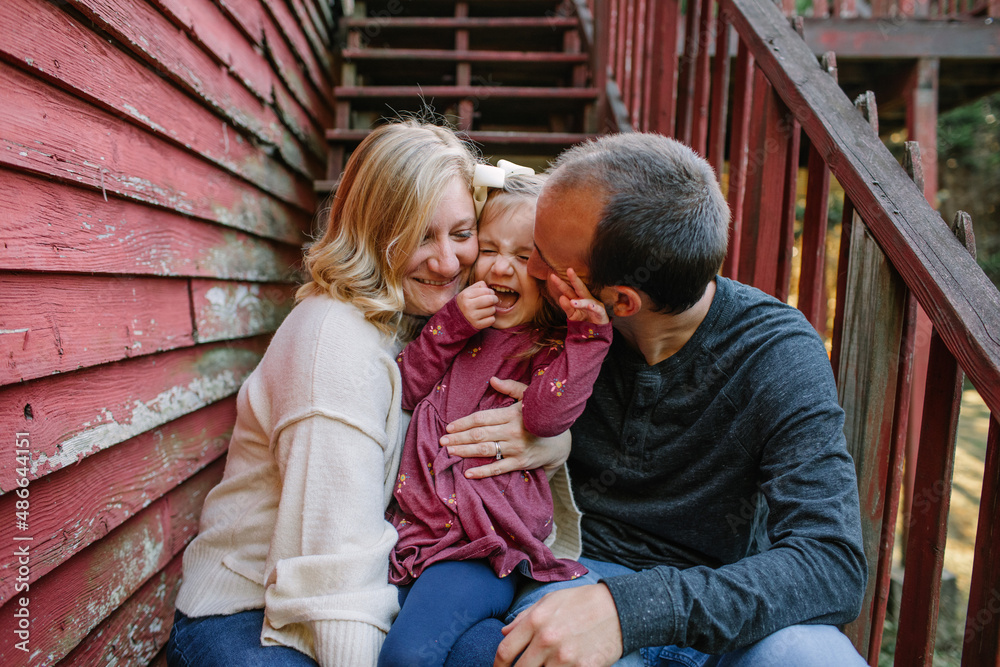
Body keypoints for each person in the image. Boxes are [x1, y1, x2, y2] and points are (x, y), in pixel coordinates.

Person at [447, 132, 869, 667]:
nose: (528, 270)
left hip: (727, 605)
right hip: (573, 580)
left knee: (815, 658)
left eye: (544, 260)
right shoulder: (542, 322)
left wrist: (634, 610)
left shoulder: (773, 353)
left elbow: (830, 564)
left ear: (620, 300)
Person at [164, 120, 572, 667]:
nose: (449, 263)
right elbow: (333, 557)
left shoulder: (415, 318)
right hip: (252, 612)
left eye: (460, 232)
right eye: (420, 235)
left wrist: (552, 443)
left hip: (377, 575)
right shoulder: (333, 344)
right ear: (372, 234)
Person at [379, 175, 612, 667]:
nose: (502, 266)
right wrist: (453, 324)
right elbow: (405, 384)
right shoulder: (454, 326)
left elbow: (547, 418)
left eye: (524, 258)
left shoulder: (547, 350)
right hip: (414, 536)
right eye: (488, 248)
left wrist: (587, 340)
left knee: (405, 656)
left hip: (479, 548)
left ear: (552, 275)